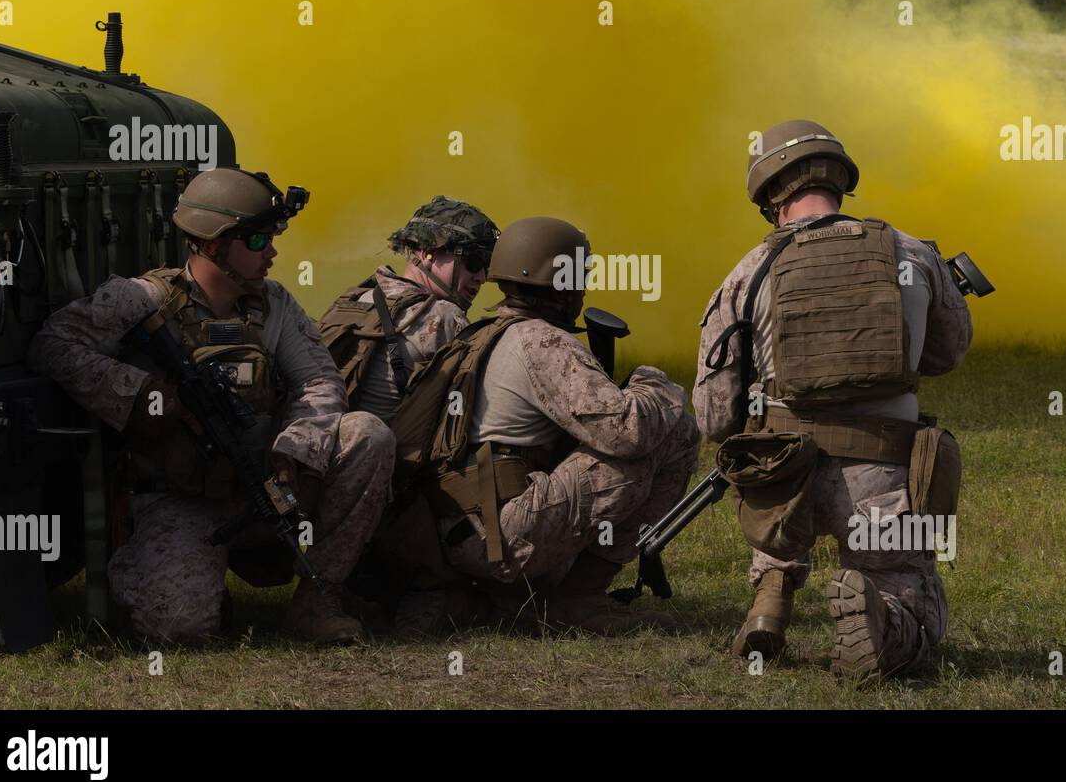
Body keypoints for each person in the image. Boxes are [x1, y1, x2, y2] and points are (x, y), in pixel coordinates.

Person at [26, 167, 395, 645]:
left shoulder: (275, 305)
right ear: (214, 243)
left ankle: (317, 600)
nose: (273, 252)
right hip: (182, 498)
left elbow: (318, 382)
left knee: (367, 434)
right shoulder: (141, 298)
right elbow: (53, 345)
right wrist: (148, 394)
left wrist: (293, 451)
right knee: (180, 627)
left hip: (265, 483)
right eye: (258, 240)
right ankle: (166, 576)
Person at [693, 119, 973, 679]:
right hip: (883, 475)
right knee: (912, 596)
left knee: (772, 476)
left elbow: (714, 414)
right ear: (840, 180)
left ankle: (771, 595)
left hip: (782, 479)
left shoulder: (747, 274)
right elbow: (948, 354)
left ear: (772, 193)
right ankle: (884, 623)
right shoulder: (912, 254)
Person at [405, 216, 700, 634]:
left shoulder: (485, 332)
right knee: (669, 437)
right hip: (496, 536)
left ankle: (513, 598)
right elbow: (626, 431)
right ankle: (580, 599)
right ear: (561, 283)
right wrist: (653, 382)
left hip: (465, 529)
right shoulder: (542, 342)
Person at [318, 196, 498, 424]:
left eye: (487, 265)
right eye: (473, 261)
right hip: (393, 456)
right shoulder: (444, 316)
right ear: (427, 252)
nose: (481, 277)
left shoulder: (357, 297)